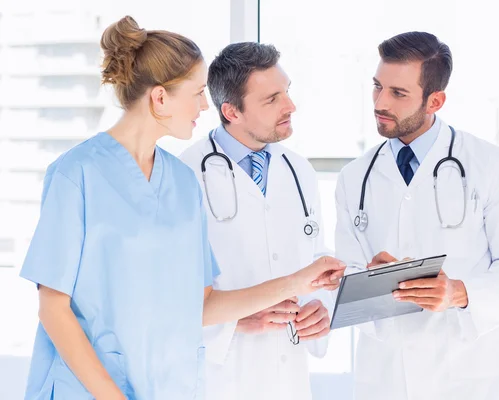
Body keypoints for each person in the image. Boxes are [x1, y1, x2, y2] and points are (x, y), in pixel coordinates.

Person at [19, 16, 345, 400]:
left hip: (167, 386)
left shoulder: (181, 181)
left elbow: (202, 306)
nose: (206, 105)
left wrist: (300, 282)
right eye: (197, 92)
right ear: (160, 98)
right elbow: (53, 308)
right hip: (89, 390)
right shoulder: (76, 174)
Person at [334, 31, 499, 400]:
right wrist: (371, 280)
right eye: (377, 87)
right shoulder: (355, 178)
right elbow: (342, 277)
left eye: (398, 93)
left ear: (435, 100)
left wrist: (458, 293)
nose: (380, 102)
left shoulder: (489, 164)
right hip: (386, 378)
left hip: (469, 375)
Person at [179, 42, 336, 400]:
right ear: (231, 111)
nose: (290, 106)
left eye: (287, 92)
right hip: (219, 379)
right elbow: (165, 296)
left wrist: (322, 309)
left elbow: (313, 257)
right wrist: (232, 320)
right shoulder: (185, 175)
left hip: (290, 377)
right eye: (272, 100)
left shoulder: (299, 171)